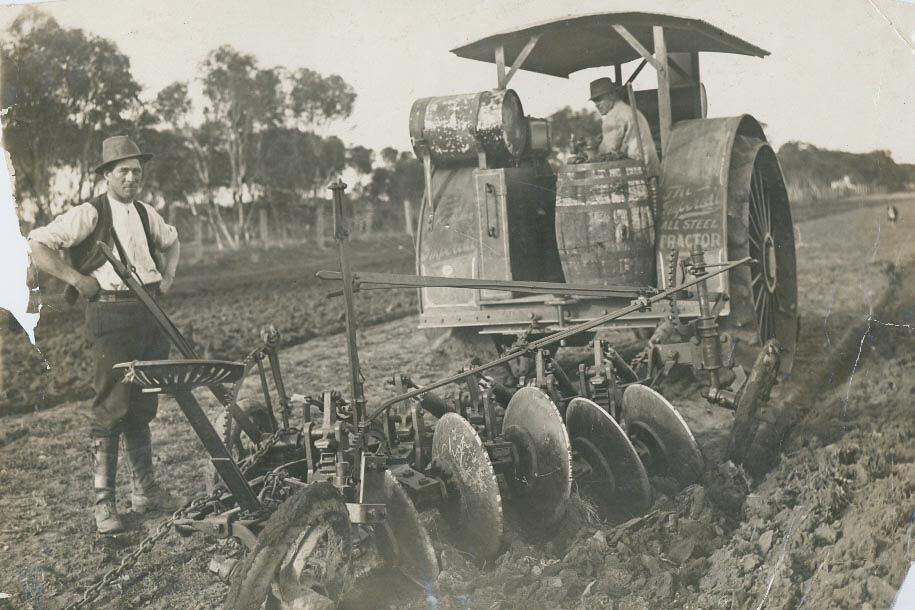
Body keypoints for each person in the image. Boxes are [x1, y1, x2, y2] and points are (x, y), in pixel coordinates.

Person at [28, 136, 182, 534]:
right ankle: (104, 504)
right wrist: (76, 278)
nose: (131, 179)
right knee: (111, 408)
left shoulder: (148, 214)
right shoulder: (89, 214)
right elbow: (38, 245)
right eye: (123, 172)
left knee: (143, 405)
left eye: (136, 172)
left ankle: (145, 492)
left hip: (150, 314)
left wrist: (168, 277)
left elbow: (173, 241)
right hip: (110, 318)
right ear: (107, 175)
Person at [589, 77, 661, 177]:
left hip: (638, 172)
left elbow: (607, 152)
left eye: (599, 99)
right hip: (652, 169)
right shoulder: (629, 110)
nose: (596, 105)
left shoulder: (613, 116)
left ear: (612, 95)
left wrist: (593, 150)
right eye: (594, 101)